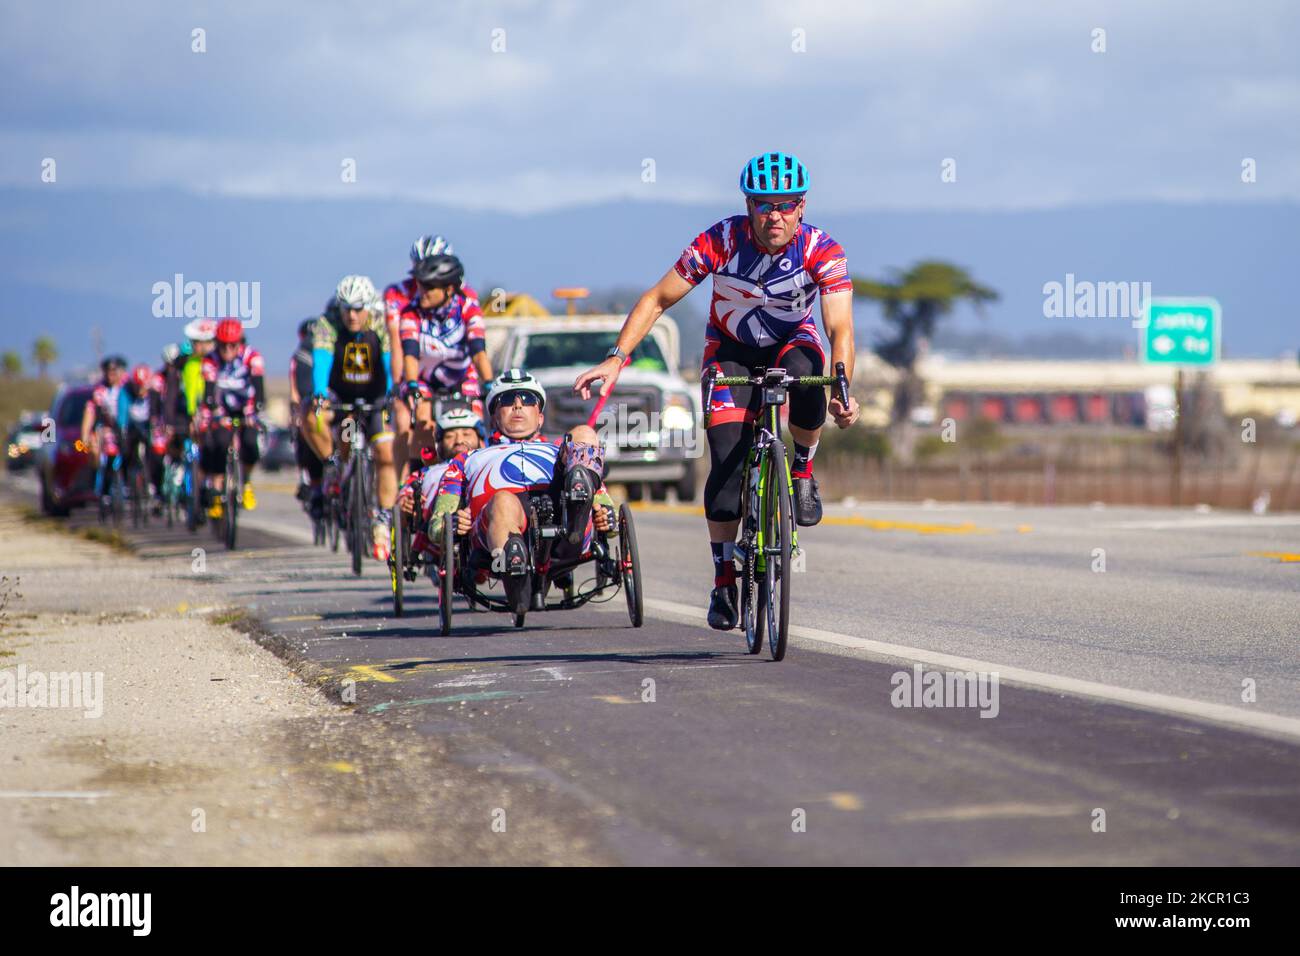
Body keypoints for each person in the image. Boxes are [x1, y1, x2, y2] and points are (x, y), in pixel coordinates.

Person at [573, 151, 861, 631]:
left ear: (802, 207)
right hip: (730, 350)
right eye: (764, 205)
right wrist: (616, 357)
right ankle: (724, 580)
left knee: (812, 372)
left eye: (786, 205)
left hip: (793, 342)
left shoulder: (821, 250)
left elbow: (841, 327)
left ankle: (803, 469)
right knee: (727, 469)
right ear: (748, 206)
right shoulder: (721, 240)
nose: (775, 216)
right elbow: (658, 298)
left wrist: (843, 385)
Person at [427, 370, 613, 614]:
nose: (517, 405)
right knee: (503, 501)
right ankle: (514, 563)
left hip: (563, 523)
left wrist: (605, 515)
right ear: (493, 416)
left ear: (540, 417)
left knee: (585, 434)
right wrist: (450, 523)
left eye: (527, 399)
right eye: (507, 400)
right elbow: (436, 524)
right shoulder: (467, 459)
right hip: (500, 522)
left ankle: (578, 516)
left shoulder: (560, 450)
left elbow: (607, 508)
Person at [302, 274, 397, 560]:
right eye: (347, 309)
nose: (352, 315)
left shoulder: (380, 323)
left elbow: (391, 363)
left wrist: (393, 391)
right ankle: (337, 468)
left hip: (375, 398)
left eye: (358, 308)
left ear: (369, 306)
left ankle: (383, 517)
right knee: (320, 423)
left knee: (384, 452)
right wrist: (319, 392)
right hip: (344, 402)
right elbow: (321, 360)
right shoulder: (327, 323)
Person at [397, 253, 493, 474]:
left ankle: (475, 474)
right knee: (422, 420)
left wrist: (488, 382)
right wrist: (411, 384)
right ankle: (418, 477)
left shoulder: (469, 308)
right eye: (420, 286)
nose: (422, 292)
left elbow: (478, 353)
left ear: (449, 289)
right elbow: (410, 355)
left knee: (474, 424)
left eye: (429, 287)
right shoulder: (411, 313)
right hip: (424, 379)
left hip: (462, 377)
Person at [396, 403, 485, 562]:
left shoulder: (487, 466)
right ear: (439, 443)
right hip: (435, 530)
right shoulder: (429, 471)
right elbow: (406, 490)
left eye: (466, 434)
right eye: (450, 436)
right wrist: (406, 502)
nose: (459, 441)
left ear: (480, 440)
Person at [199, 318, 265, 518]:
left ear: (240, 343)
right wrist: (214, 413)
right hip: (222, 409)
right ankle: (218, 492)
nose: (227, 350)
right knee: (219, 443)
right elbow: (209, 394)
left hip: (246, 409)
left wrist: (256, 410)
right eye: (223, 345)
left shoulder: (252, 357)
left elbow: (259, 391)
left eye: (232, 345)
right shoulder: (210, 361)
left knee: (251, 444)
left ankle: (245, 482)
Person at [81, 355, 129, 508]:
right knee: (102, 455)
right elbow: (90, 412)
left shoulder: (126, 388)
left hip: (124, 429)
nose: (111, 375)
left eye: (115, 372)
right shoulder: (100, 391)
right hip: (106, 429)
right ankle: (102, 490)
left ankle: (131, 484)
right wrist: (85, 435)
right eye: (108, 372)